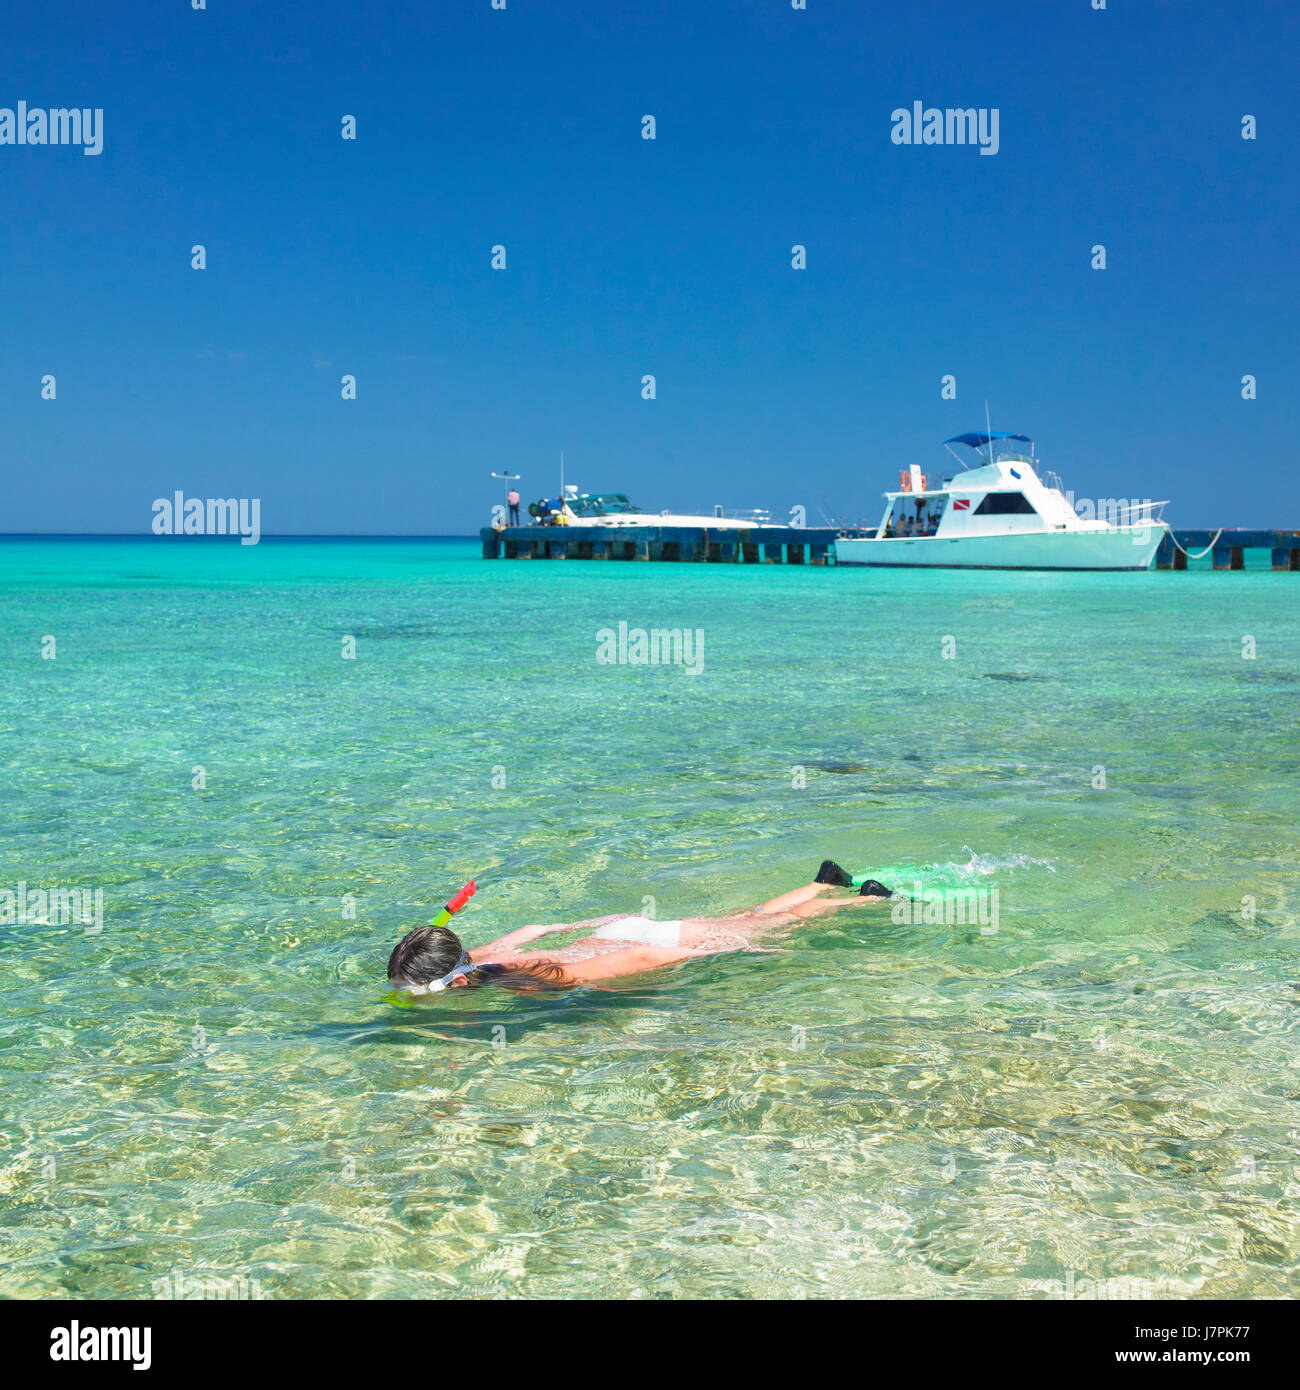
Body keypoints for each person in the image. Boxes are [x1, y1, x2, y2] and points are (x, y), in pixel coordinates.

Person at [385, 861, 892, 994]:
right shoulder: (477, 953)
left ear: (451, 981)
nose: (402, 993)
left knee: (771, 928)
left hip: (643, 945)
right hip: (621, 932)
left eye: (411, 989)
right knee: (755, 917)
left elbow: (621, 966)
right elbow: (535, 927)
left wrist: (711, 953)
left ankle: (863, 900)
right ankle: (824, 883)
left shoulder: (524, 980)